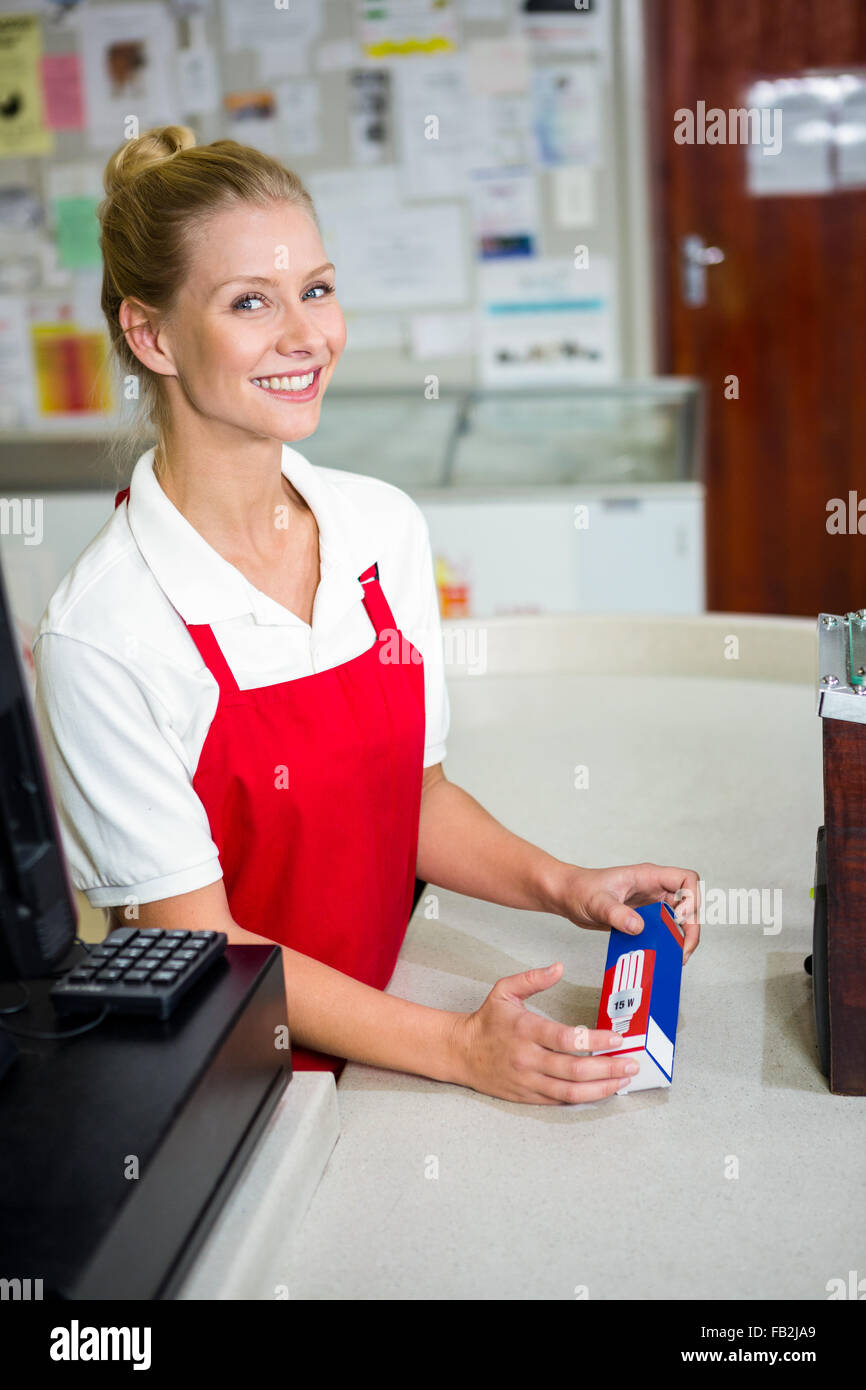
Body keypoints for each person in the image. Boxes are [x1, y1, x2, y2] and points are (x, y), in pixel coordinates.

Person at [33, 126, 701, 1105]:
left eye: (316, 287)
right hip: (236, 1091)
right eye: (249, 303)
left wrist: (565, 886)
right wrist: (459, 1049)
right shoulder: (105, 632)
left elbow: (410, 800)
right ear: (151, 335)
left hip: (398, 1024)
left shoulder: (379, 529)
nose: (305, 335)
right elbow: (208, 947)